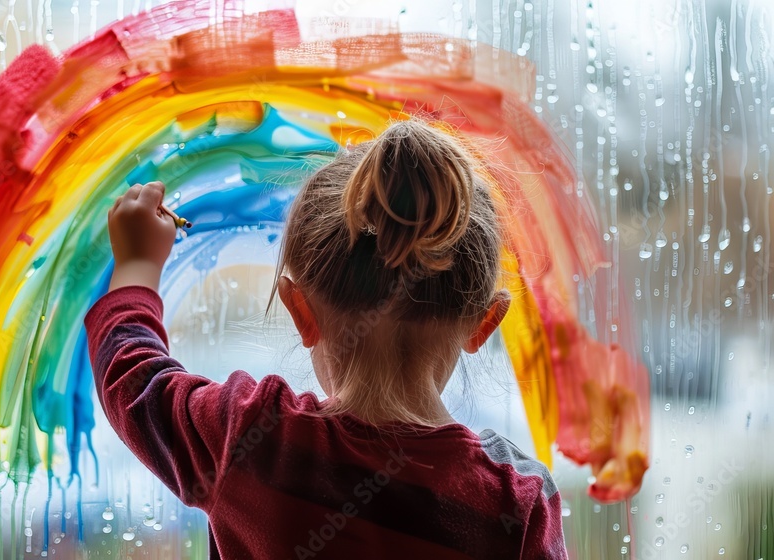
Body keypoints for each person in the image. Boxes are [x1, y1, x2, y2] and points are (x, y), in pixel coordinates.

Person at [85, 119, 569, 559]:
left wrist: (136, 268)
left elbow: (135, 379)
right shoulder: (518, 499)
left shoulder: (252, 439)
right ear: (485, 323)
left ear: (300, 311)